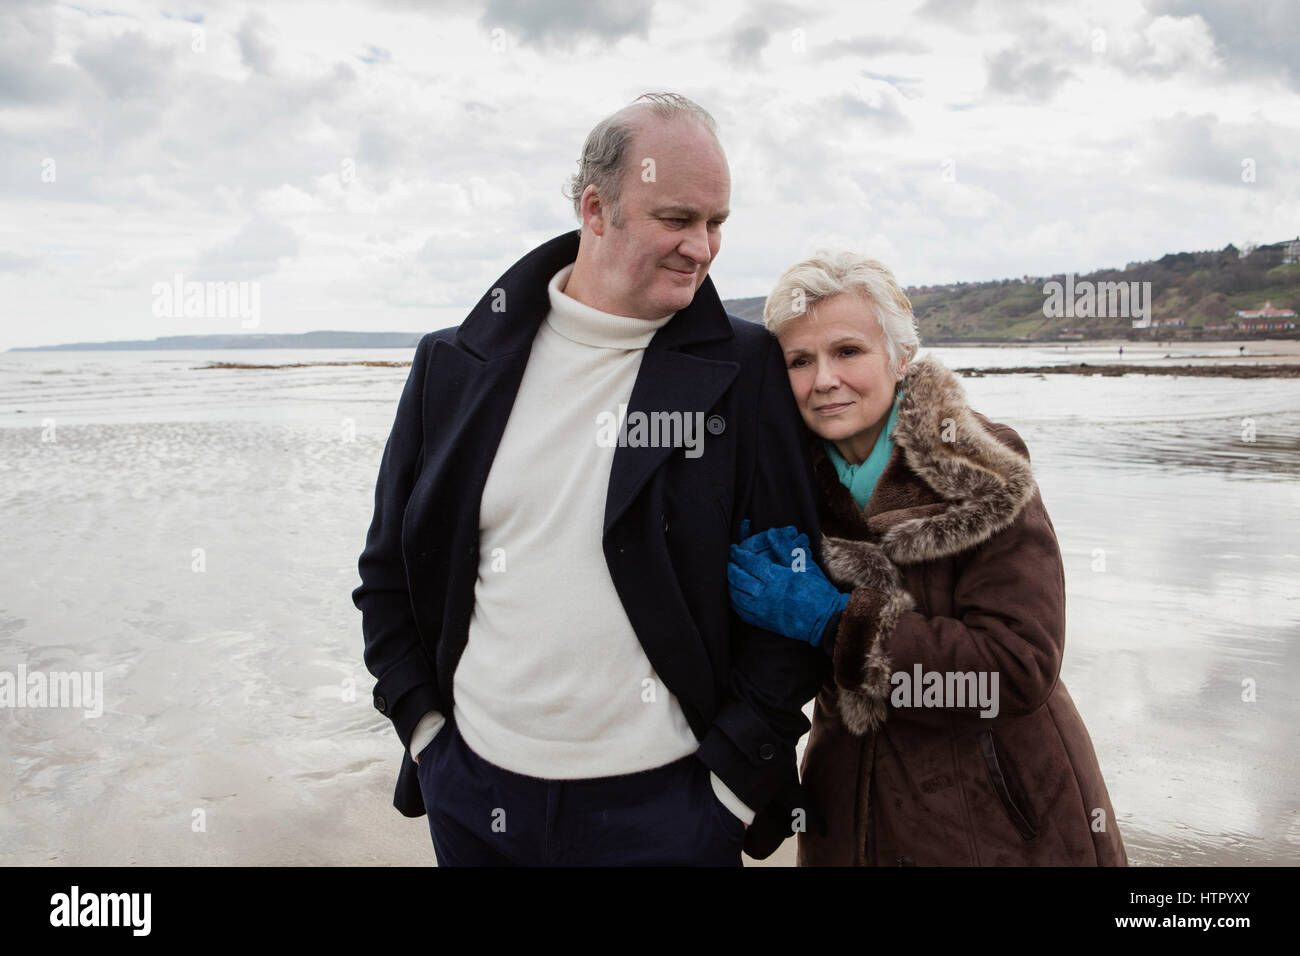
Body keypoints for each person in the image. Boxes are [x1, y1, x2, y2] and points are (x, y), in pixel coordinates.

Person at [352, 92, 825, 866]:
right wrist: (425, 734)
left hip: (671, 810)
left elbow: (795, 590)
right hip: (474, 797)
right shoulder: (453, 365)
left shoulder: (744, 370)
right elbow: (387, 574)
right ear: (597, 209)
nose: (701, 248)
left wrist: (728, 793)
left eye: (717, 223)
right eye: (678, 219)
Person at [727, 251, 1128, 865]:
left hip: (994, 816)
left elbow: (1017, 667)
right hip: (847, 810)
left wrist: (836, 623)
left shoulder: (977, 466)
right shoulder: (786, 485)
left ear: (900, 356)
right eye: (800, 361)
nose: (824, 379)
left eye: (848, 352)